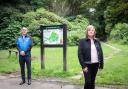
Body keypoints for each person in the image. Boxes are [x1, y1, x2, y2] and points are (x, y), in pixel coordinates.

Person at [78, 25, 104, 89]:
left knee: (92, 81)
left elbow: (101, 52)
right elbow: (80, 54)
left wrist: (101, 64)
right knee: (88, 82)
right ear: (87, 32)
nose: (91, 31)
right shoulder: (82, 41)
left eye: (92, 30)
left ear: (94, 32)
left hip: (96, 64)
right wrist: (83, 66)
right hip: (87, 64)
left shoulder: (97, 41)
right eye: (89, 30)